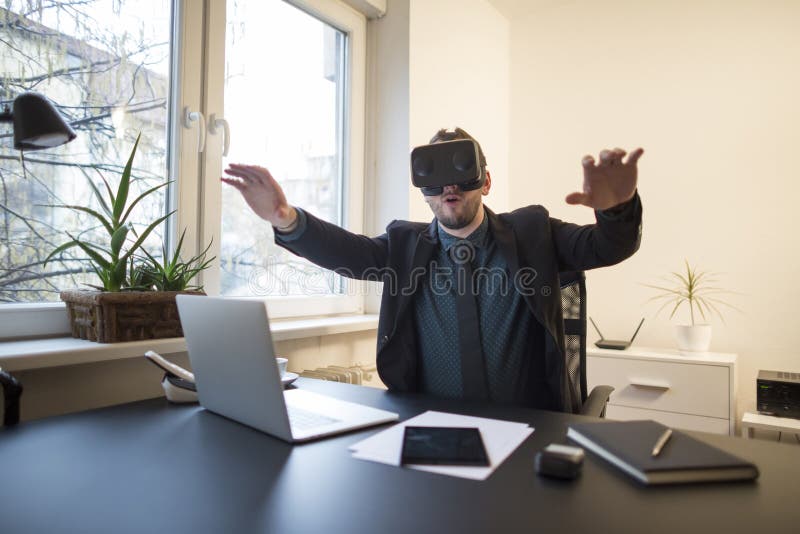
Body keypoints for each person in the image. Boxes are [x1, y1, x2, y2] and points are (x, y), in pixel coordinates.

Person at [222, 127, 643, 413]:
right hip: (432, 426)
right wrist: (285, 218)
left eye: (460, 172)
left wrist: (617, 209)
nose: (449, 188)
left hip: (529, 426)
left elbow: (607, 245)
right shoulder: (404, 247)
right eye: (435, 177)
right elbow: (346, 253)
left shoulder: (534, 232)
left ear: (486, 181)